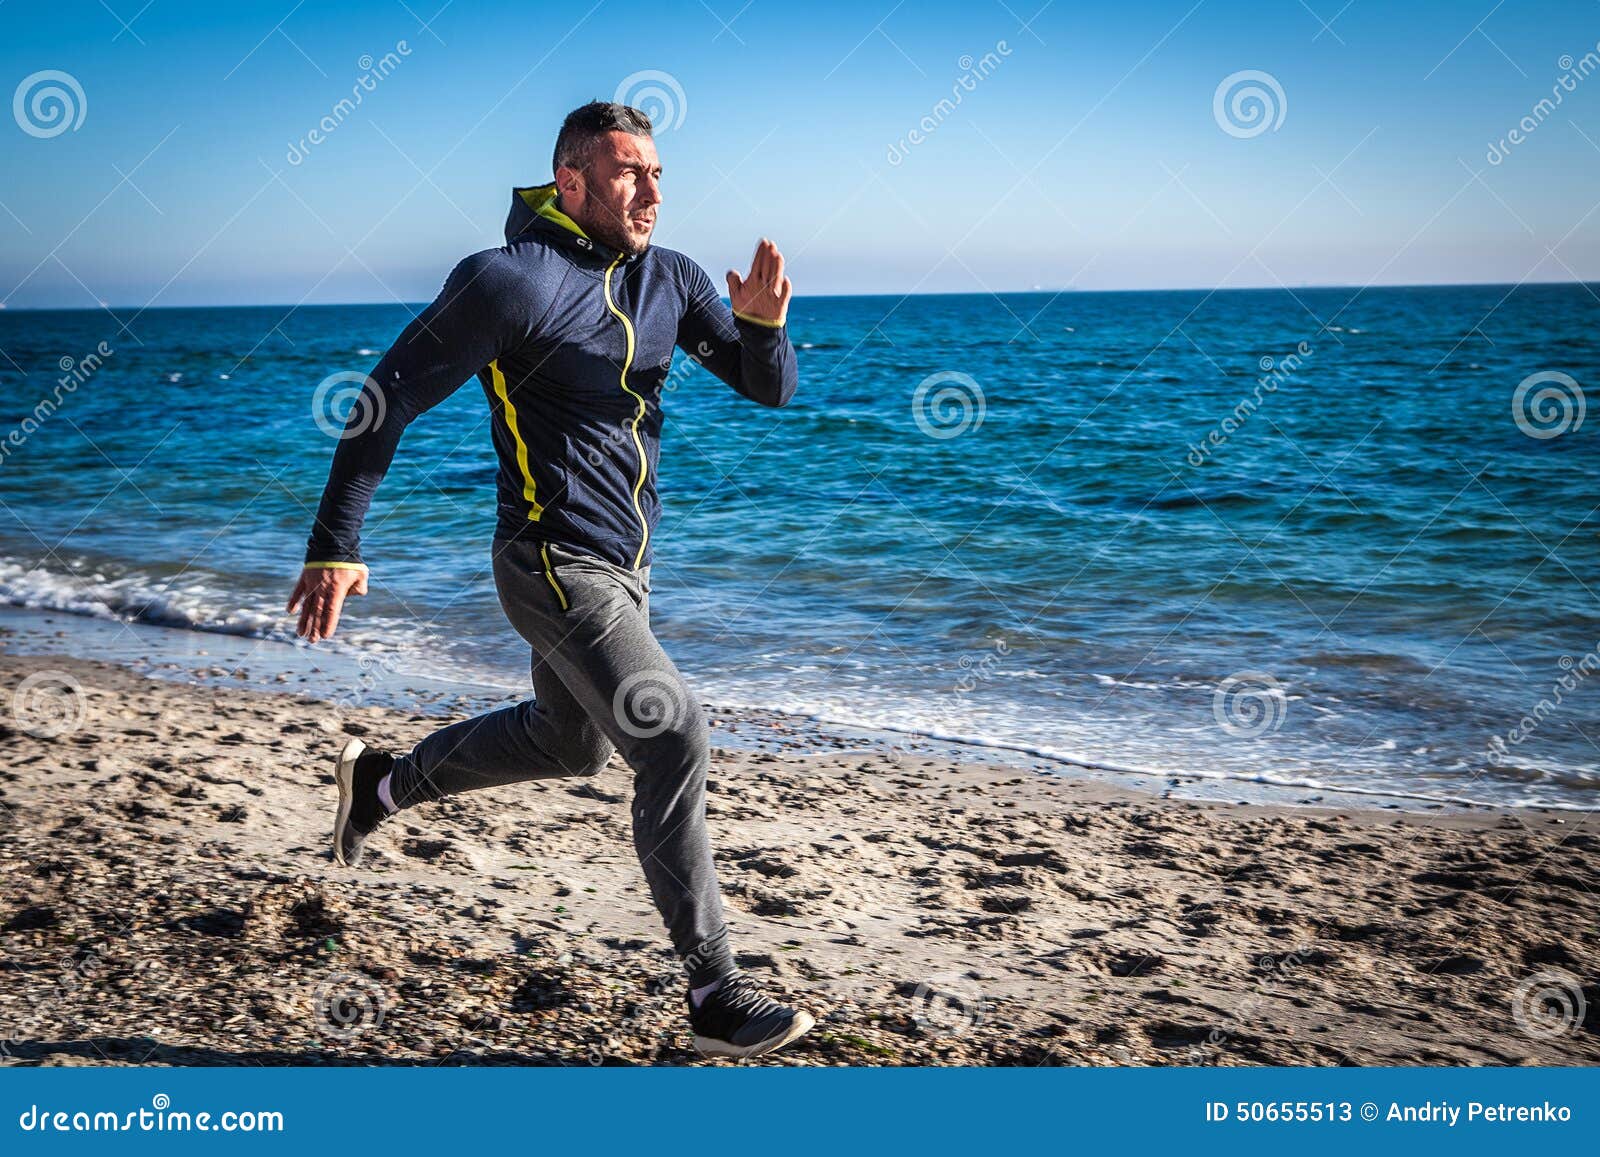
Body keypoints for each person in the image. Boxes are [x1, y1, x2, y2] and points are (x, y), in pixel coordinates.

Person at [287, 100, 812, 1059]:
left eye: (658, 173)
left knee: (568, 745)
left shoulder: (672, 280)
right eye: (628, 173)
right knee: (671, 730)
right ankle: (713, 994)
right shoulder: (507, 283)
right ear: (571, 183)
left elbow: (764, 386)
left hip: (626, 566)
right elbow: (382, 402)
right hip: (550, 560)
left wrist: (764, 328)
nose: (650, 191)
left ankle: (381, 785)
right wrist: (335, 542)